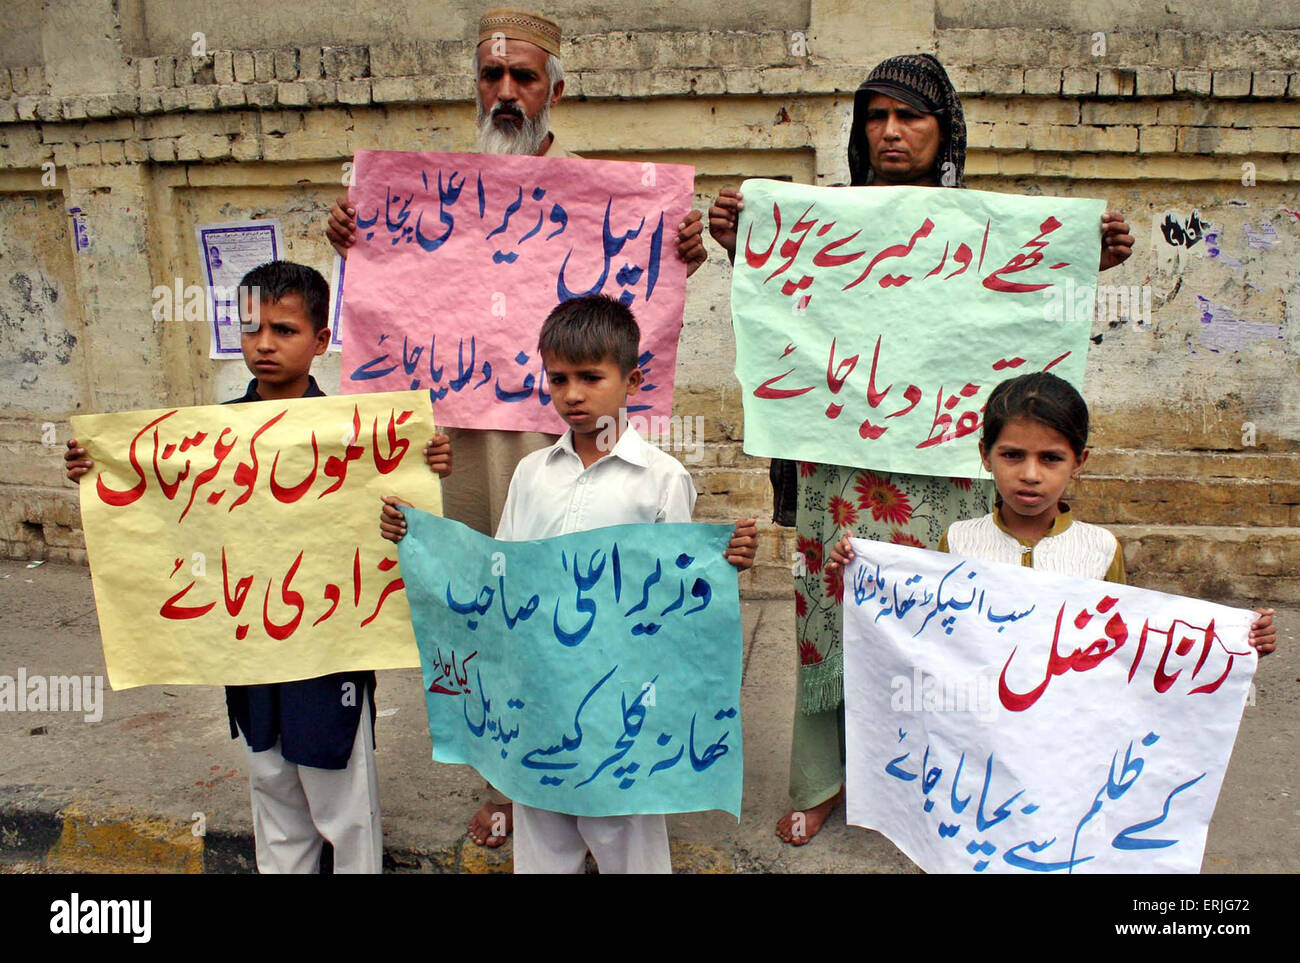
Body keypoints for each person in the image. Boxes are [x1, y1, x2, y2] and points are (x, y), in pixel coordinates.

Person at [707, 52, 1137, 846]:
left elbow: (1028, 313)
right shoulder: (820, 221)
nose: (891, 132)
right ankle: (823, 779)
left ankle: (947, 781)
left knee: (952, 626)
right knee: (832, 610)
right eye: (876, 116)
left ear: (947, 131)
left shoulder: (986, 228)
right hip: (843, 459)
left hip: (947, 467)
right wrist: (748, 243)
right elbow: (782, 310)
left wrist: (1082, 258)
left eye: (910, 116)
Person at [327, 8, 708, 848]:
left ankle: (602, 757)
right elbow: (379, 305)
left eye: (523, 77)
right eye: (492, 77)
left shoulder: (601, 193)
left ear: (554, 89)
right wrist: (351, 243)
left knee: (571, 606)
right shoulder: (421, 191)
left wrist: (683, 246)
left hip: (555, 441)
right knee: (488, 605)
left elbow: (639, 303)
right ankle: (505, 775)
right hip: (459, 436)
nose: (506, 92)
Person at [65, 261, 453, 873]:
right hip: (249, 645)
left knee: (344, 804)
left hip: (331, 648)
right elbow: (153, 496)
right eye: (251, 330)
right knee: (271, 786)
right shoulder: (208, 438)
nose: (264, 344)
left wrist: (424, 461)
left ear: (321, 341)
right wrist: (100, 468)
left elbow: (406, 517)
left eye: (284, 329)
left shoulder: (358, 435)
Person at [380, 293, 757, 872]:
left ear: (632, 381)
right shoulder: (531, 474)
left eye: (590, 377)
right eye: (558, 379)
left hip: (623, 707)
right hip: (539, 698)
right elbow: (497, 573)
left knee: (626, 838)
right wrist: (418, 535)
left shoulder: (661, 480)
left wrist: (722, 563)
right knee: (542, 838)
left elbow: (678, 597)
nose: (573, 395)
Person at [825, 370, 1277, 642]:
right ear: (985, 455)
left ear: (1079, 462)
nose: (1031, 474)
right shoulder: (959, 539)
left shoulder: (1100, 549)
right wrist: (856, 572)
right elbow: (925, 629)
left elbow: (1129, 640)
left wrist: (1233, 640)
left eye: (1051, 458)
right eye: (1012, 455)